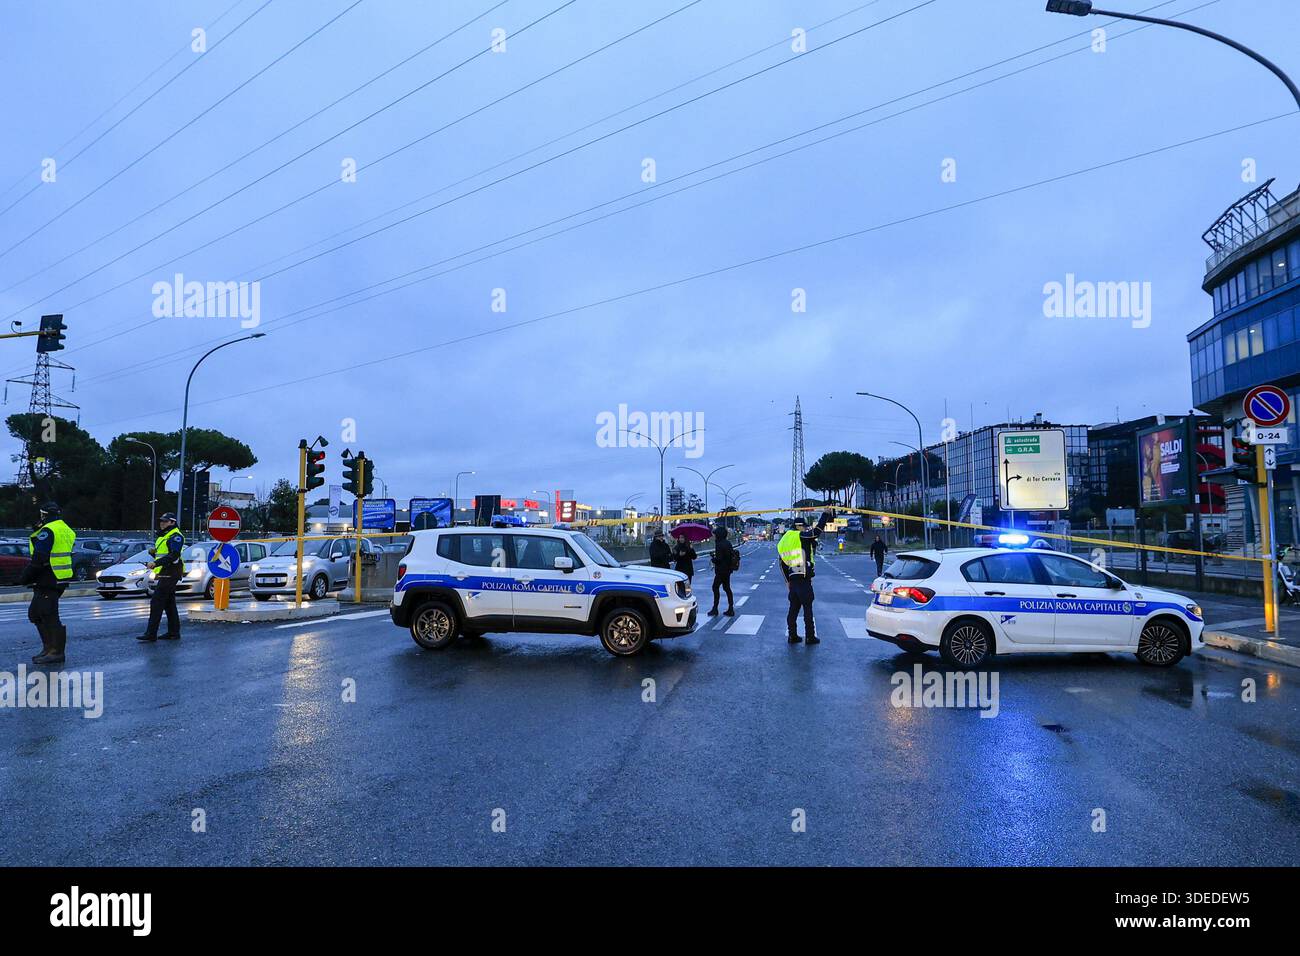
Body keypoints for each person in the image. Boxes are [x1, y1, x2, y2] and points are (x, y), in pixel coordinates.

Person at [21, 501, 75, 665]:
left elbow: (40, 557)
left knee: (48, 614)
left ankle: (56, 651)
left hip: (49, 577)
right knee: (36, 614)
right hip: (58, 575)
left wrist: (26, 576)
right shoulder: (65, 529)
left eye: (42, 515)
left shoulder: (48, 530)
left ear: (45, 515)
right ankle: (49, 648)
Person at [779, 509, 833, 644]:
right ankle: (810, 636)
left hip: (793, 577)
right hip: (803, 578)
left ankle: (792, 635)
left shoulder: (785, 540)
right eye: (804, 526)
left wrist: (787, 581)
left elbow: (782, 564)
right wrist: (825, 514)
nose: (806, 529)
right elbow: (817, 532)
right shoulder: (800, 536)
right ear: (798, 526)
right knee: (807, 608)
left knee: (793, 609)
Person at [138, 512, 185, 643]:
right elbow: (164, 555)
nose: (161, 523)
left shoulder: (175, 536)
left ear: (172, 522)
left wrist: (155, 563)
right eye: (161, 521)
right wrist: (154, 554)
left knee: (157, 601)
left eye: (165, 521)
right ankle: (173, 632)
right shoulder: (165, 536)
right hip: (166, 571)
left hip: (171, 571)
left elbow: (174, 555)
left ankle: (151, 633)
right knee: (169, 603)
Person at [708, 525, 737, 616]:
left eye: (715, 534)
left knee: (715, 587)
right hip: (728, 570)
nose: (714, 536)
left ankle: (715, 608)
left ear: (719, 535)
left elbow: (719, 559)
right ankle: (731, 608)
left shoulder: (719, 544)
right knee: (727, 588)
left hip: (721, 570)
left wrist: (713, 559)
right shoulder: (728, 543)